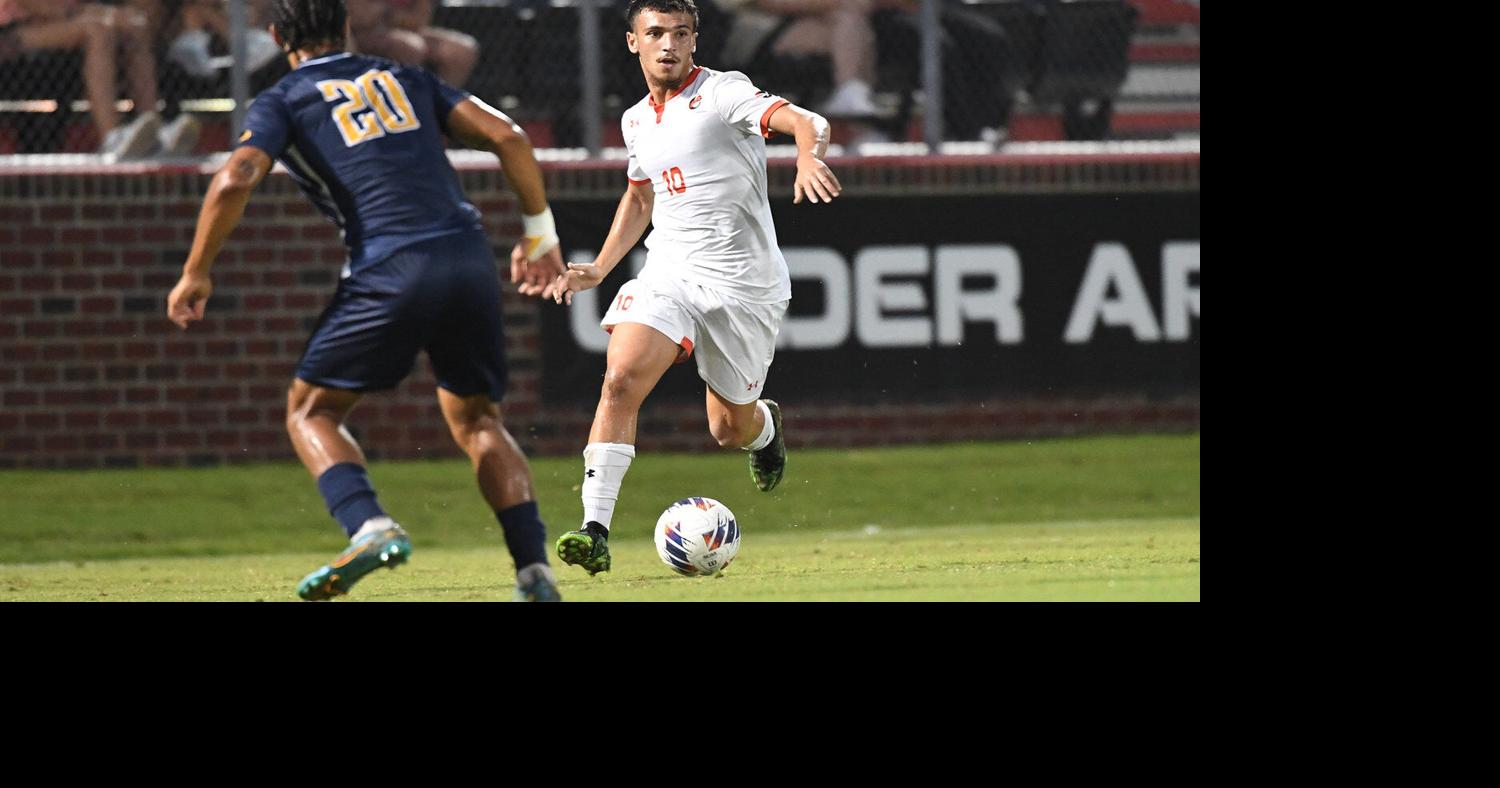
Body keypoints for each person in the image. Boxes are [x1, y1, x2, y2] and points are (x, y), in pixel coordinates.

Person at [164, 0, 569, 601]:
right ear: (347, 28)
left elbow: (236, 177)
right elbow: (506, 135)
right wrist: (540, 234)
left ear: (276, 37)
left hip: (391, 264)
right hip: (467, 257)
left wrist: (196, 271)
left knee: (311, 411)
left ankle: (369, 526)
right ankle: (534, 572)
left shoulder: (283, 98)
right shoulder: (404, 77)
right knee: (481, 419)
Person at [548, 0, 841, 576]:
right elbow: (640, 196)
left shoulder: (724, 93)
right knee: (619, 378)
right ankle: (594, 529)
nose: (668, 45)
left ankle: (766, 429)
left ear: (694, 40)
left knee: (728, 428)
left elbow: (810, 121)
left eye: (681, 33)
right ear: (633, 42)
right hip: (671, 272)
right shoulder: (635, 120)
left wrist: (807, 156)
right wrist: (602, 268)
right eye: (655, 33)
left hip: (744, 287)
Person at [0, 0, 178, 157]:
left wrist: (101, 13)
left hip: (57, 21)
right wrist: (86, 13)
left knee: (133, 25)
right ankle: (112, 138)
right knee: (97, 30)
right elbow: (43, 7)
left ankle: (154, 130)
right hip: (10, 35)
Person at [346, 0, 476, 87]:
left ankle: (445, 108)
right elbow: (361, 18)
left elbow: (420, 19)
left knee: (460, 51)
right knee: (410, 47)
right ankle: (404, 107)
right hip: (359, 34)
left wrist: (388, 15)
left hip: (406, 30)